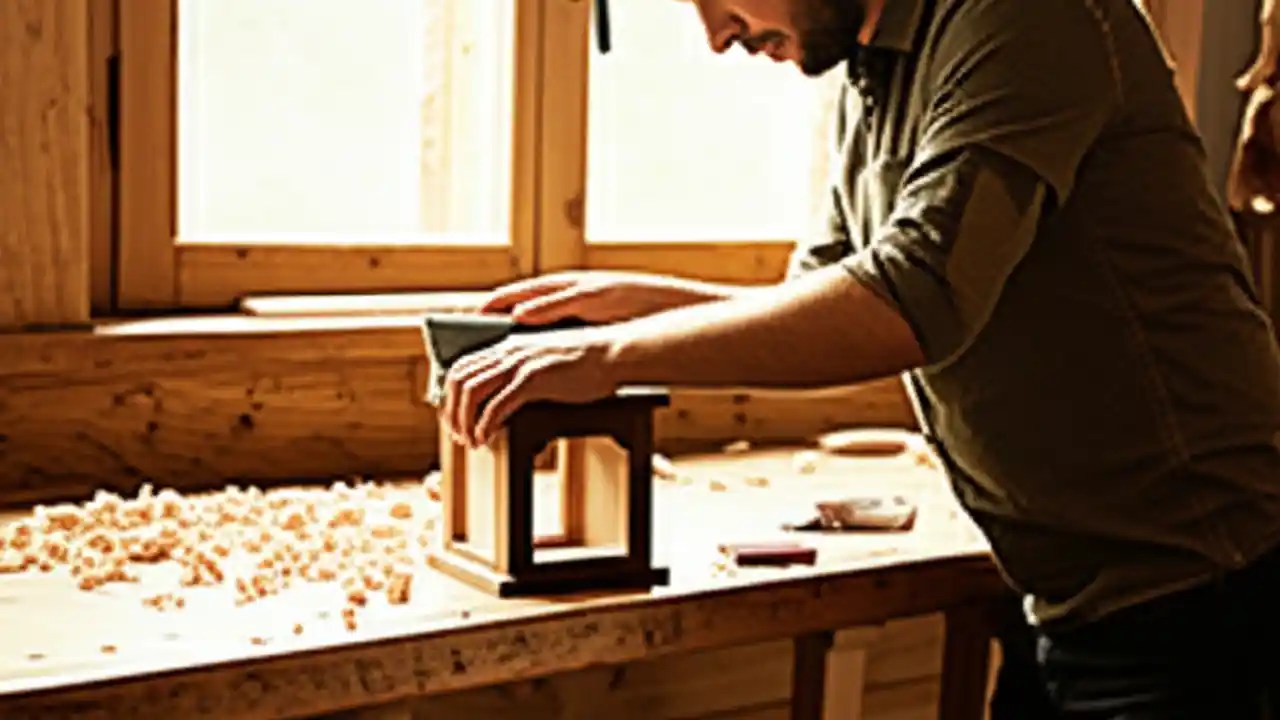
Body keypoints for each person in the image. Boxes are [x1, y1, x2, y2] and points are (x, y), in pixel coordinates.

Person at [439, 0, 1280, 716]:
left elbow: (914, 299)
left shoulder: (1025, 19)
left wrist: (614, 354)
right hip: (1066, 598)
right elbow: (826, 296)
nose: (716, 35)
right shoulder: (875, 67)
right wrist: (636, 304)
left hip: (1204, 597)